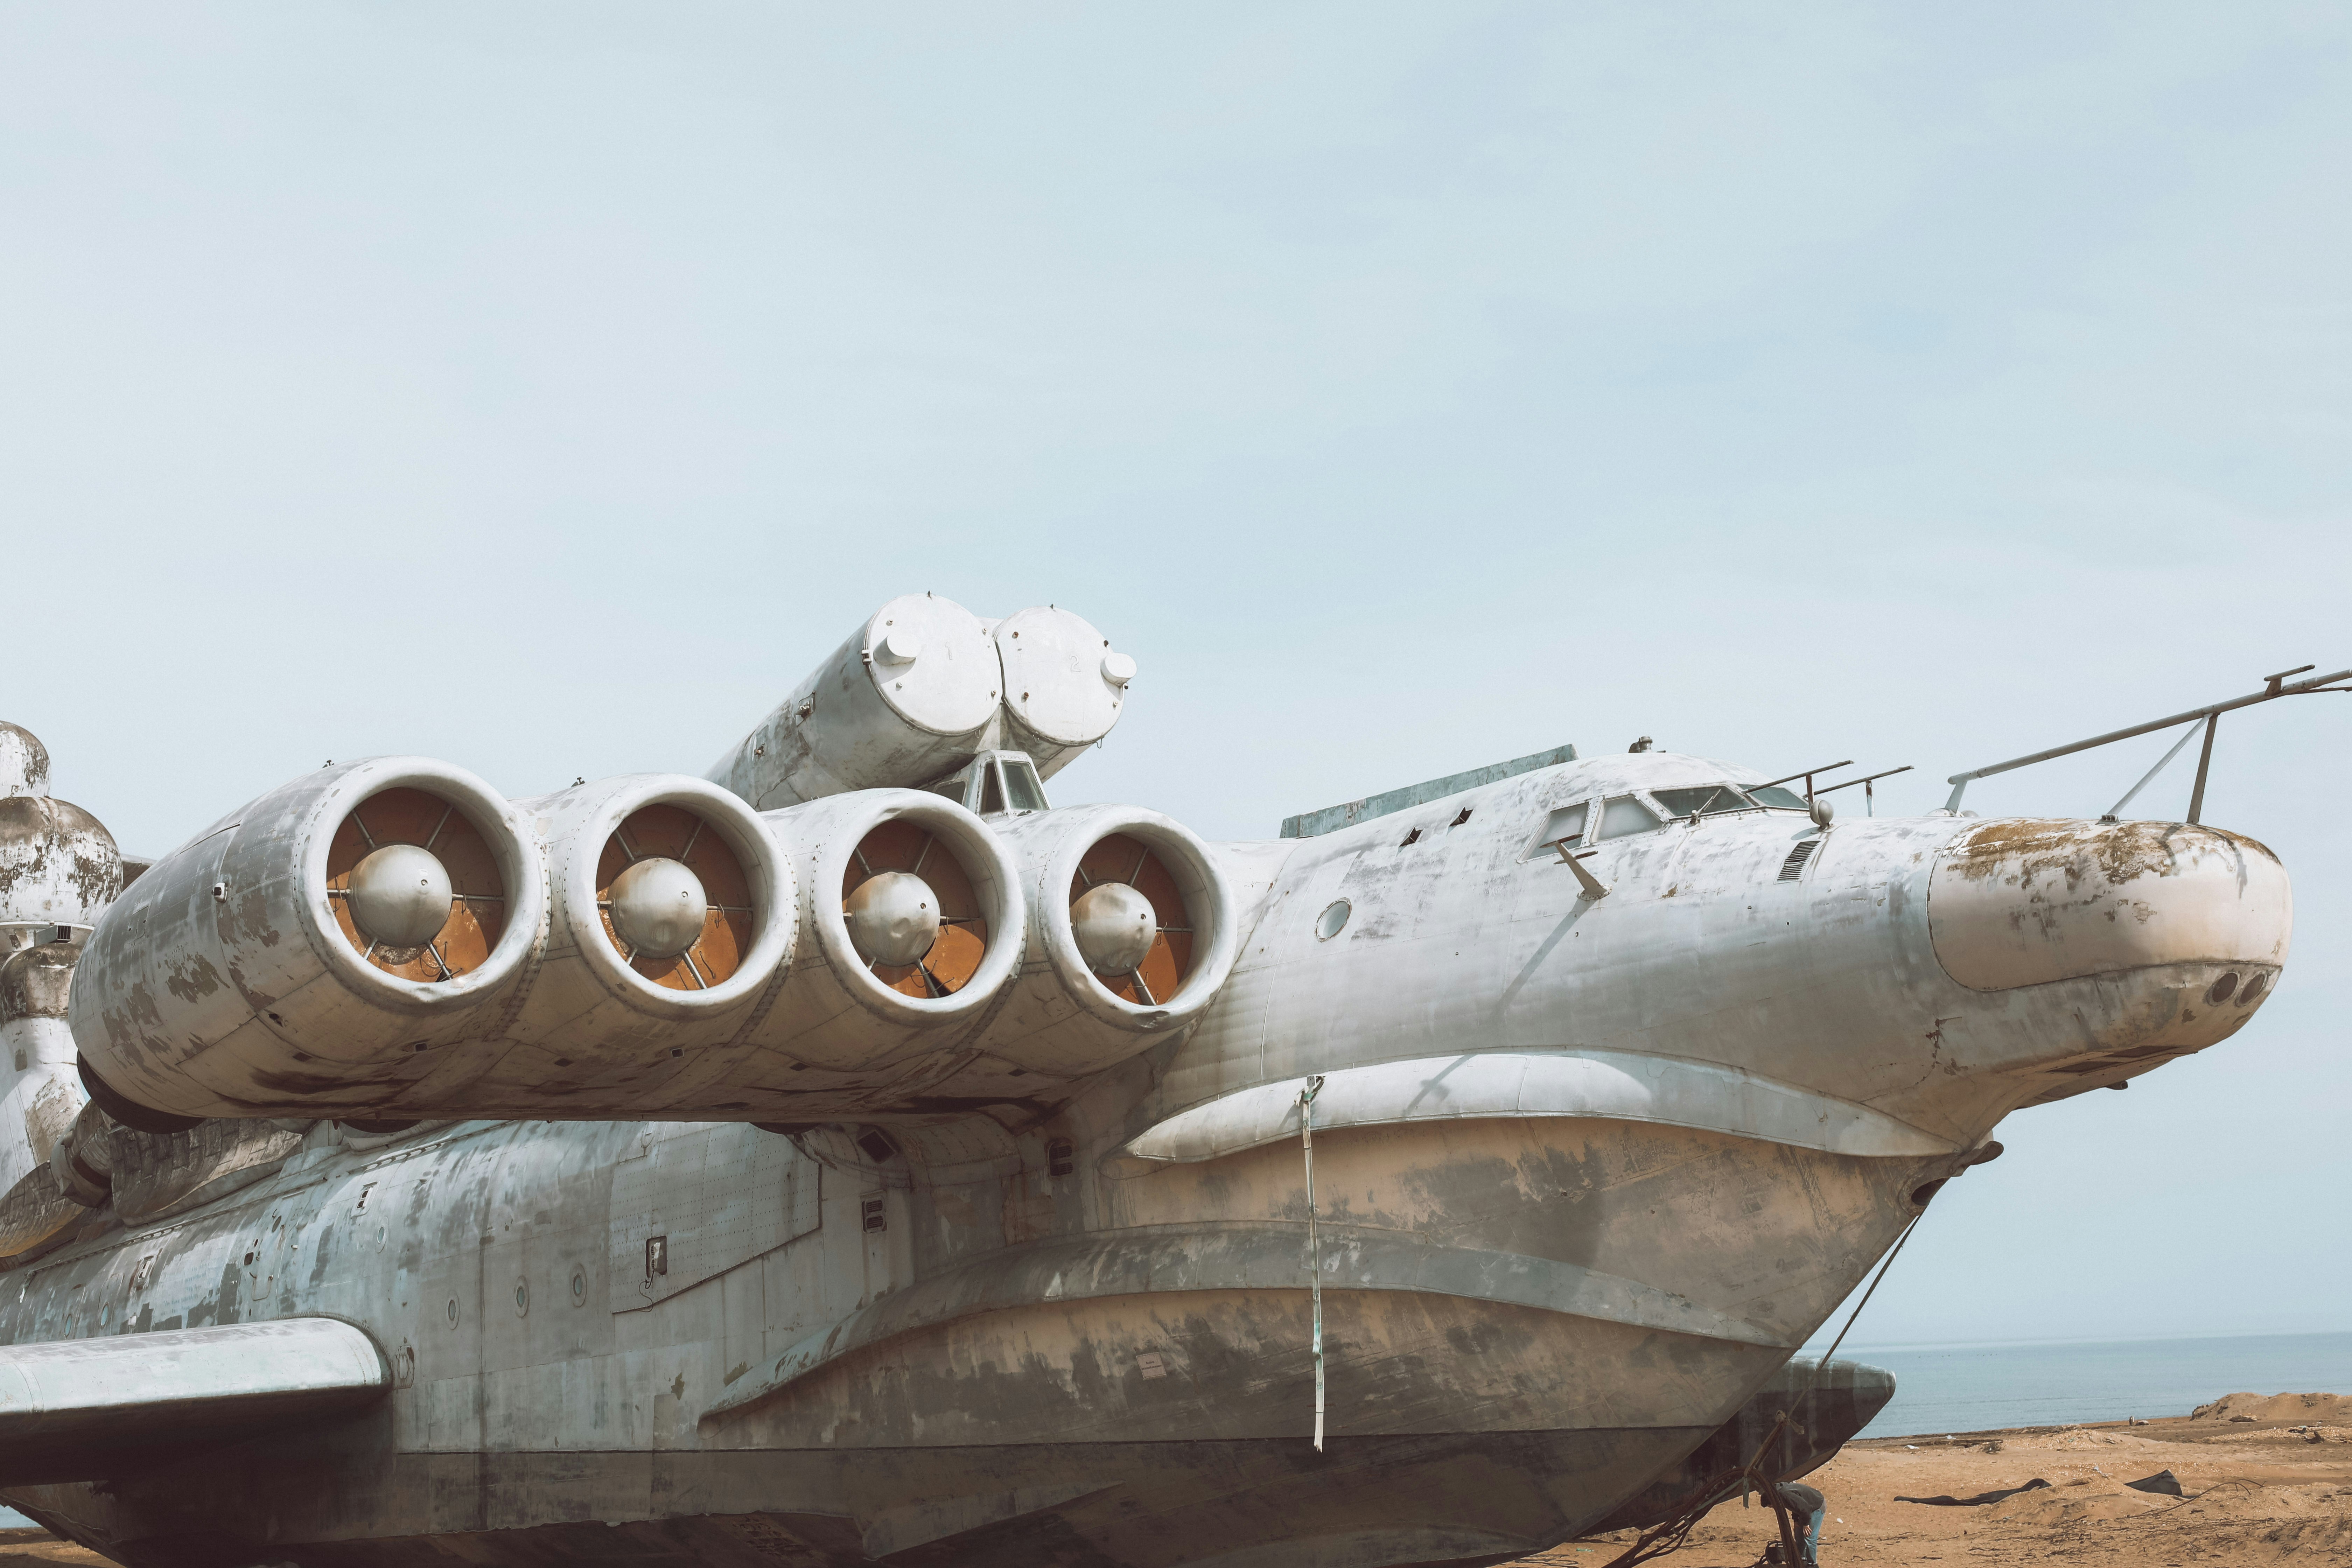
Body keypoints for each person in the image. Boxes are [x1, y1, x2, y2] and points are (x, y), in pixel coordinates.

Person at [1767, 1480, 1826, 1565]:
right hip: (1805, 1511)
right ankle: (1801, 1561)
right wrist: (1796, 1521)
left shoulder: (1784, 1495)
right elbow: (1796, 1506)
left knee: (1809, 1536)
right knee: (1799, 1534)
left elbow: (1805, 1508)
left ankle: (1812, 1564)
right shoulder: (1779, 1495)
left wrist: (1806, 1524)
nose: (1774, 1508)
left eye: (1772, 1506)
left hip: (1816, 1506)